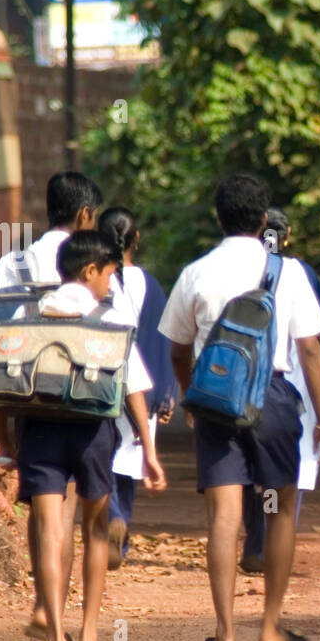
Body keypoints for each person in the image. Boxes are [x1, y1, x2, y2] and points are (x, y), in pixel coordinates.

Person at [0, 171, 137, 641]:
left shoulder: (14, 264)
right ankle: (72, 627)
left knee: (45, 513)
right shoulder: (99, 270)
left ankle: (45, 612)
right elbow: (122, 351)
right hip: (88, 405)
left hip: (29, 404)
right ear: (86, 215)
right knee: (73, 516)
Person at [159, 174, 320, 641]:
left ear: (218, 218)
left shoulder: (196, 272)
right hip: (274, 399)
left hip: (217, 401)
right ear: (264, 220)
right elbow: (310, 350)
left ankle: (225, 634)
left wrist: (195, 391)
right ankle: (273, 627)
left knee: (224, 517)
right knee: (278, 509)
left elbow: (176, 347)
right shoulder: (288, 271)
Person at [10, 231, 167, 641]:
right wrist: (149, 448)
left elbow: (1, 373)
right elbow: (134, 386)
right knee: (95, 532)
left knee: (48, 532)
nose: (111, 283)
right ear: (89, 271)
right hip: (94, 434)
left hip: (40, 432)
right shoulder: (110, 317)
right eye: (109, 273)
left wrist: (6, 436)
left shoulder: (30, 310)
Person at [238, 207, 320, 576]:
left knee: (248, 469)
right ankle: (269, 542)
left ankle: (255, 539)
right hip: (288, 384)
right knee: (280, 474)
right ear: (286, 236)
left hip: (240, 380)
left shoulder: (239, 267)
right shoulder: (298, 272)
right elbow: (312, 341)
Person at [97, 207, 178, 569]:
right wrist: (168, 392)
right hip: (143, 393)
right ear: (137, 239)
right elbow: (166, 342)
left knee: (101, 462)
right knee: (130, 466)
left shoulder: (97, 281)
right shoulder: (153, 285)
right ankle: (122, 532)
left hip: (102, 387)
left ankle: (110, 517)